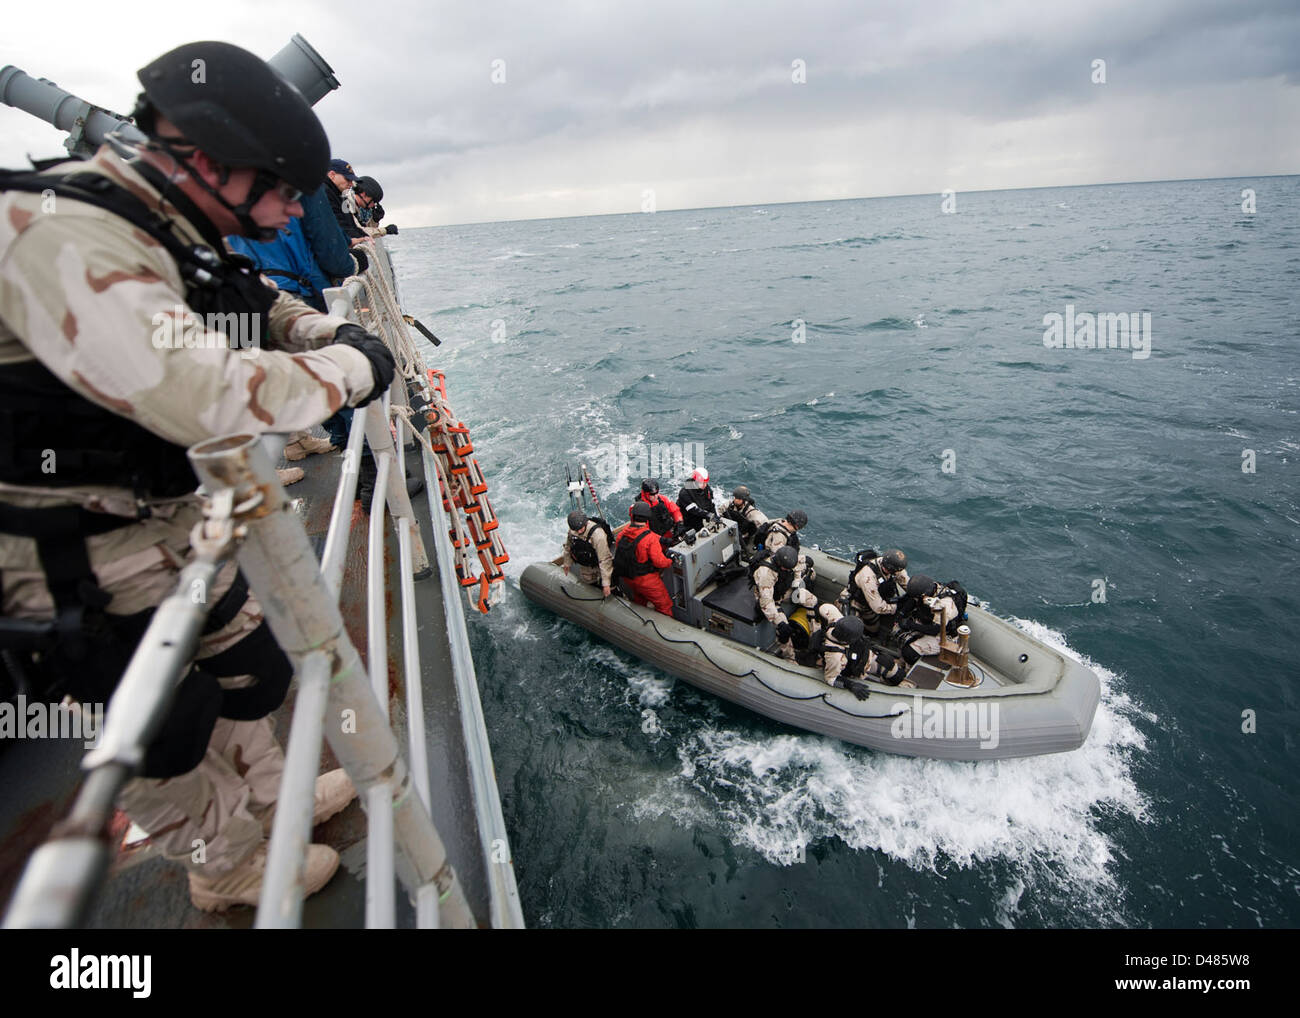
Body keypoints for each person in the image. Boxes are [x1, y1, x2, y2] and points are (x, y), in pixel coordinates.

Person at [0, 41, 398, 911]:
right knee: (163, 733)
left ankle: (267, 810)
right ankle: (228, 869)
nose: (291, 209)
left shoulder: (160, 226)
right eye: (282, 189)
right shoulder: (65, 237)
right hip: (70, 554)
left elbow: (245, 296)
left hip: (165, 517)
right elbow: (209, 395)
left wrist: (314, 331)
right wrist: (357, 370)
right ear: (211, 164)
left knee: (247, 673)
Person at [612, 502, 673, 615]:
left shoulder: (622, 535)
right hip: (646, 580)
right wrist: (670, 560)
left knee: (639, 599)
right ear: (647, 518)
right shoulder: (650, 539)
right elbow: (659, 562)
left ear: (632, 516)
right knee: (664, 605)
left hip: (628, 577)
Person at [895, 574, 964, 669]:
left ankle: (909, 666)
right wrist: (902, 614)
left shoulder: (943, 604)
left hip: (943, 634)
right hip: (929, 622)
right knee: (898, 632)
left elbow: (935, 630)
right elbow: (914, 600)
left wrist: (910, 625)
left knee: (909, 652)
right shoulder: (931, 588)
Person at [843, 548, 910, 637]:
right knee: (856, 630)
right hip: (859, 603)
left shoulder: (894, 567)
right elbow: (878, 607)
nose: (896, 573)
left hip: (877, 598)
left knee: (873, 631)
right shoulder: (868, 577)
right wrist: (896, 607)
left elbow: (905, 582)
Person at [748, 544, 799, 659]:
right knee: (784, 631)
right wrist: (779, 623)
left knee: (810, 599)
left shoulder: (788, 560)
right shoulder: (766, 573)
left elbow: (800, 564)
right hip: (770, 600)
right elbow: (766, 602)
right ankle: (790, 658)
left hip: (781, 591)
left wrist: (798, 580)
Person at [562, 510, 613, 597]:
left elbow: (604, 559)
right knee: (587, 583)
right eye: (576, 530)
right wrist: (567, 563)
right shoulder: (573, 531)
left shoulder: (597, 535)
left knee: (610, 584)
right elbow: (568, 546)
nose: (578, 532)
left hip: (599, 562)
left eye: (580, 528)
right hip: (586, 564)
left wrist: (606, 584)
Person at [721, 484, 767, 556]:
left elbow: (764, 523)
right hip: (731, 532)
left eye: (738, 499)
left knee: (749, 554)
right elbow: (720, 511)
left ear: (744, 500)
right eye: (735, 497)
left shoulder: (751, 512)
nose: (735, 500)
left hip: (745, 536)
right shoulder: (730, 505)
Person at [675, 468, 717, 532]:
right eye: (702, 483)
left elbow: (710, 504)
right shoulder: (684, 493)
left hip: (700, 516)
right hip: (688, 520)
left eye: (706, 482)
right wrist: (708, 515)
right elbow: (693, 510)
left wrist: (715, 516)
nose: (704, 485)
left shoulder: (706, 488)